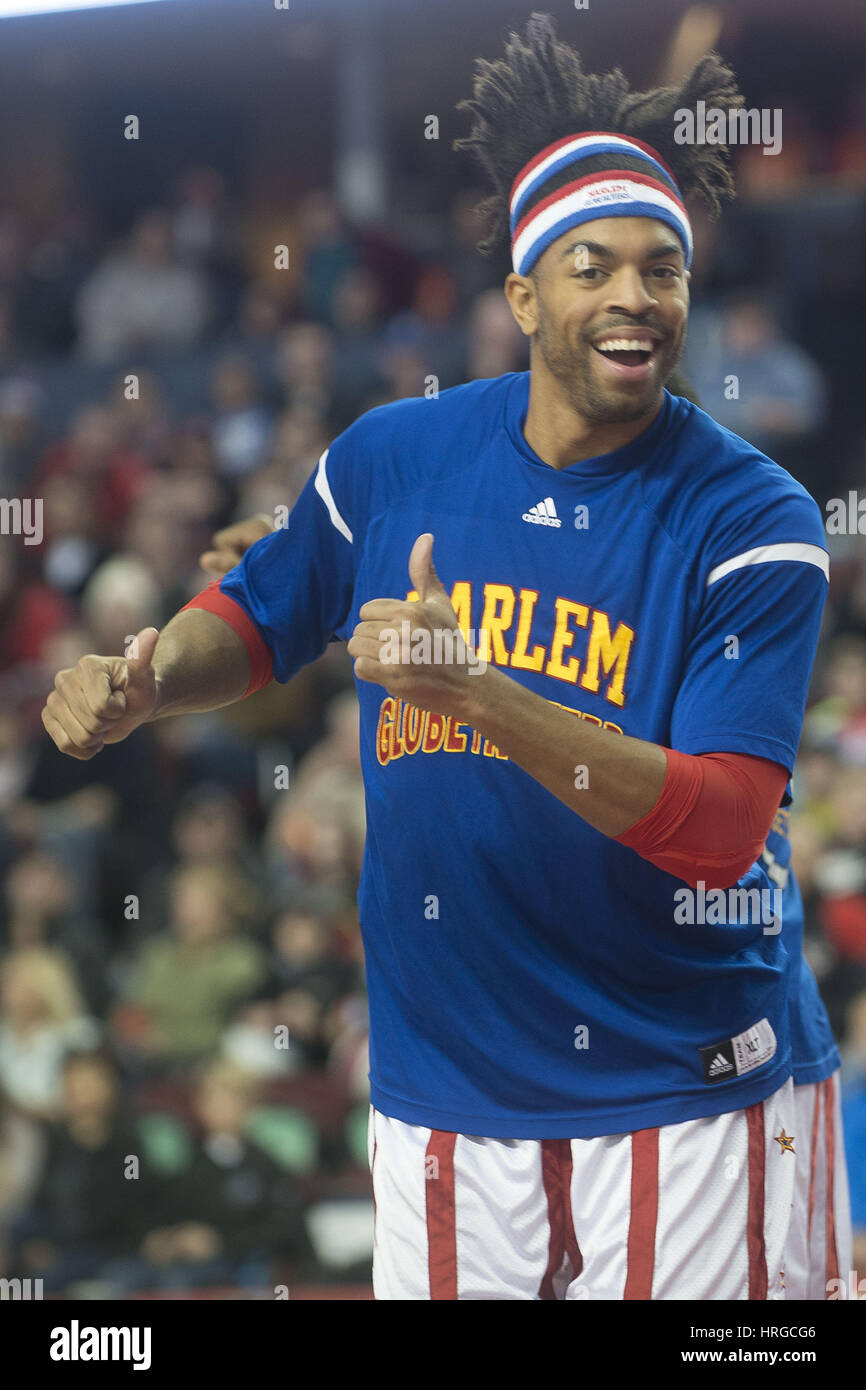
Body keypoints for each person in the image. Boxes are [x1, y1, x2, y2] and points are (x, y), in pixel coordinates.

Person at [41, 15, 851, 1300]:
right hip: (443, 1106)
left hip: (687, 1091)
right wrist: (148, 679)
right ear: (523, 294)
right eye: (593, 267)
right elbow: (254, 615)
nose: (634, 296)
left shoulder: (754, 518)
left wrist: (474, 693)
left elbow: (717, 825)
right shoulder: (391, 457)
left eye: (662, 270)